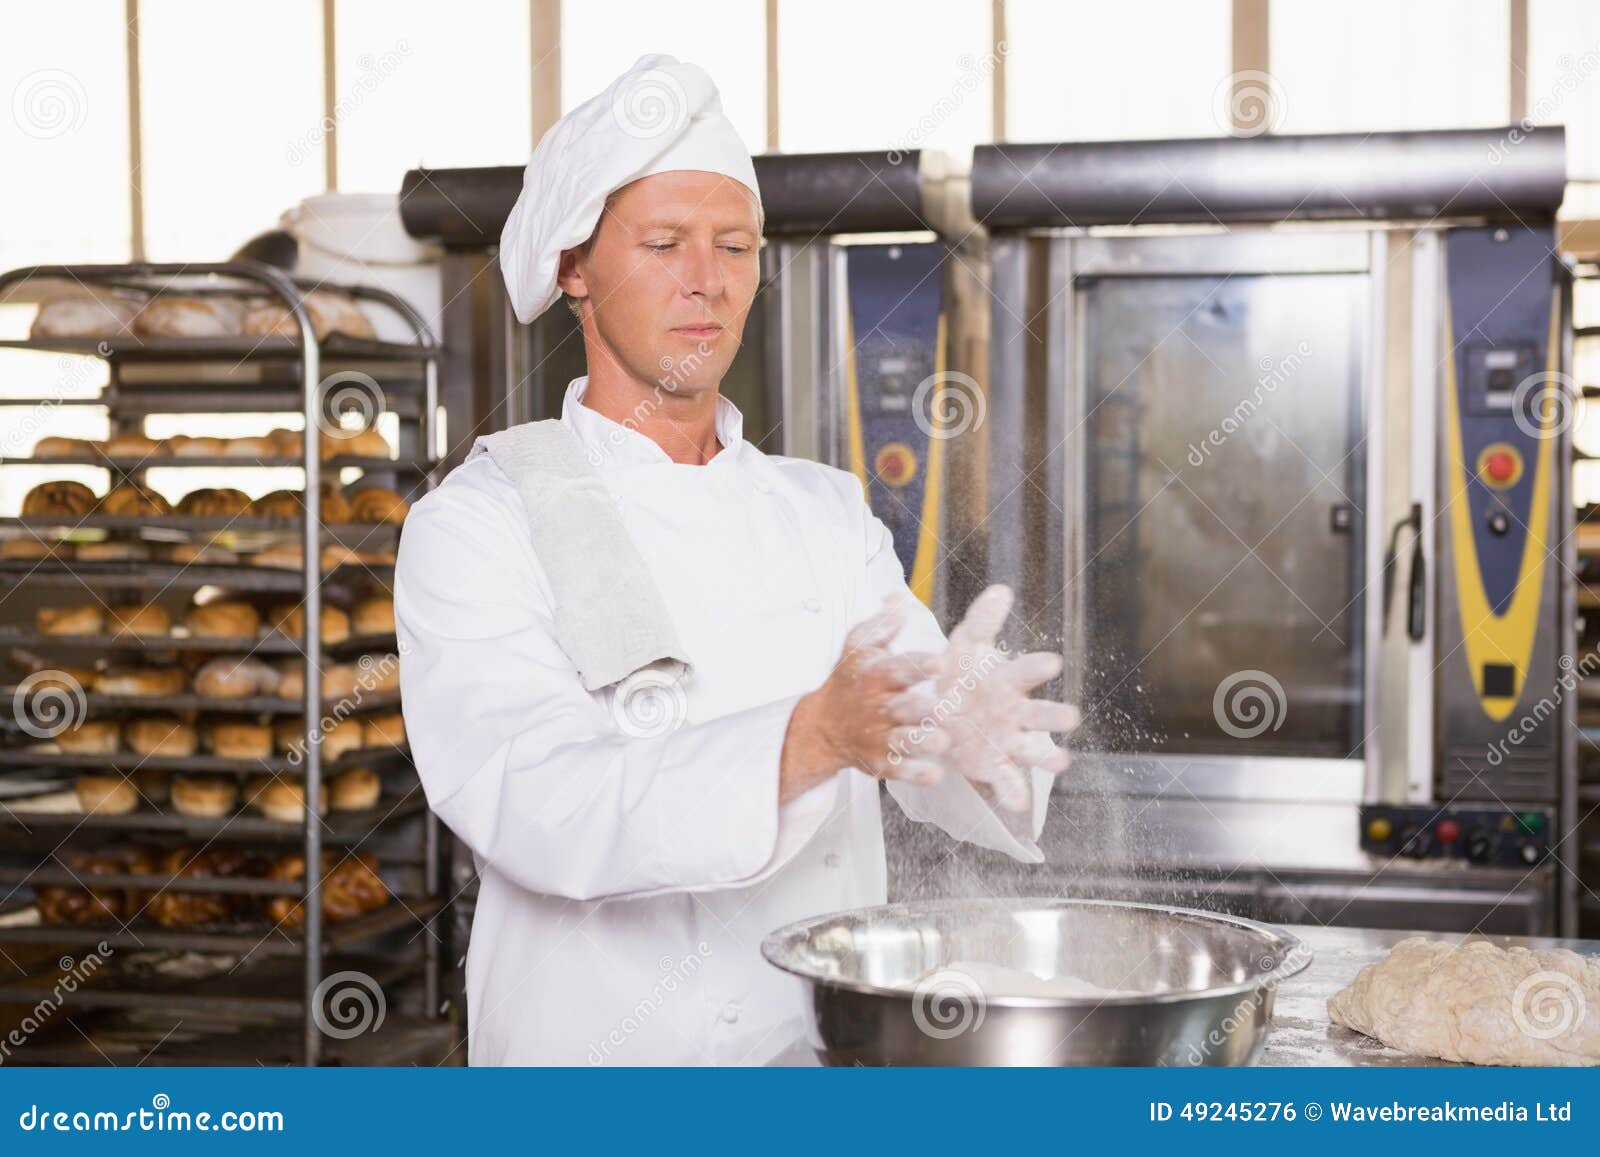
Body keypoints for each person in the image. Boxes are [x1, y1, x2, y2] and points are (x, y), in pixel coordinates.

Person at [395, 53, 1078, 1066]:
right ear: (575, 269)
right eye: (664, 243)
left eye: (735, 246)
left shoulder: (822, 510)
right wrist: (808, 737)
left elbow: (911, 719)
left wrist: (962, 734)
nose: (707, 281)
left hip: (813, 1049)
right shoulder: (483, 522)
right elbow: (536, 802)